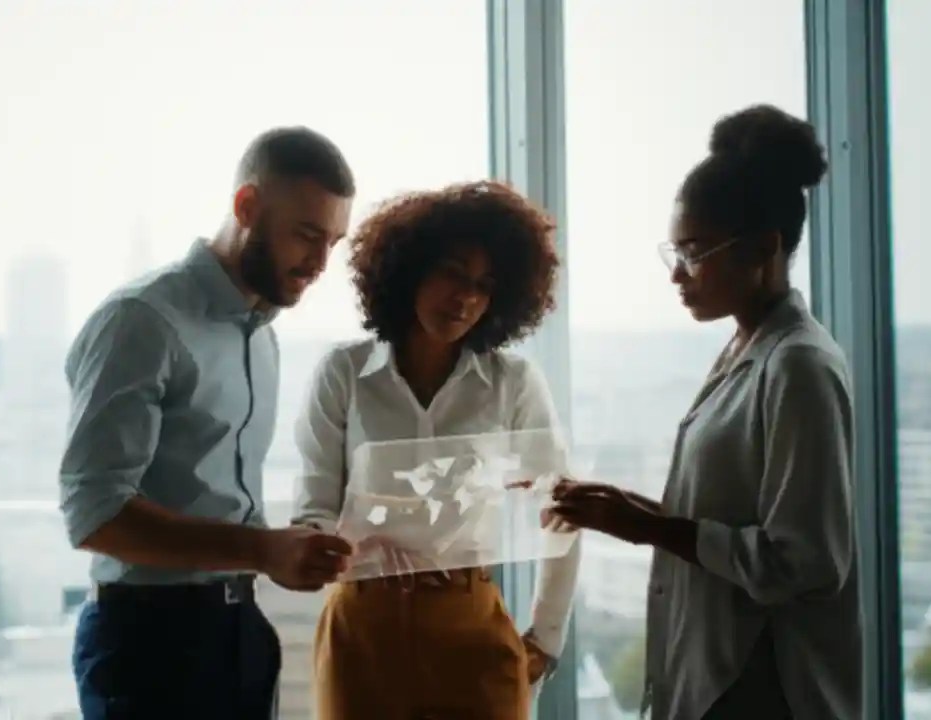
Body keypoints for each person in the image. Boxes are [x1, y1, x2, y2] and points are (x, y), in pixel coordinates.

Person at [550, 105, 861, 719]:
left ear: (763, 249)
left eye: (693, 251)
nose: (676, 274)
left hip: (765, 688)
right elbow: (729, 523)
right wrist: (628, 509)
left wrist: (650, 529)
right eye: (675, 249)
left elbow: (804, 562)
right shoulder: (746, 348)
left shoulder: (799, 365)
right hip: (721, 676)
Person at [60, 126, 358, 719]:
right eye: (306, 235)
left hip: (240, 627)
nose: (321, 262)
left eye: (334, 242)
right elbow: (95, 513)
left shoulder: (261, 337)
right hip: (148, 641)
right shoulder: (141, 320)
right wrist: (262, 549)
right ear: (247, 207)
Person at [293, 180, 581, 719]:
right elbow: (313, 508)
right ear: (410, 269)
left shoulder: (513, 382)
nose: (466, 297)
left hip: (471, 628)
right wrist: (349, 547)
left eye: (484, 283)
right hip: (363, 630)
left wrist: (545, 638)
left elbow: (562, 513)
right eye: (452, 271)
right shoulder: (345, 373)